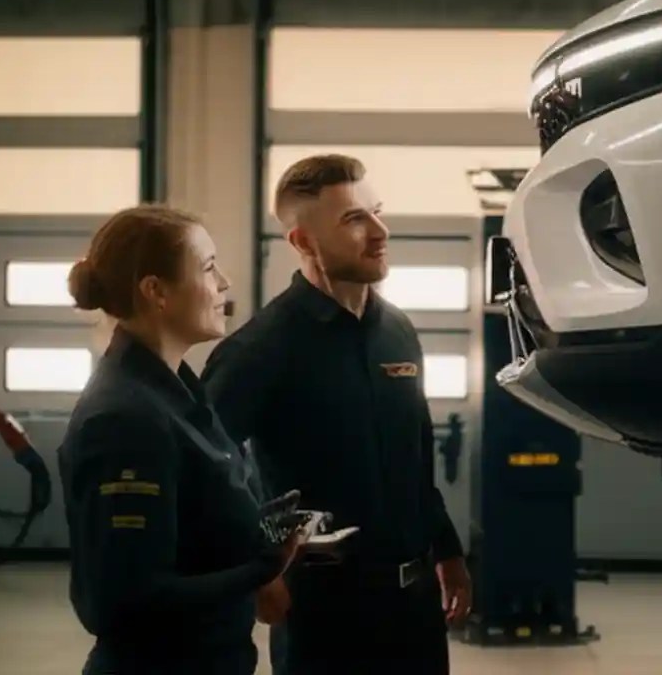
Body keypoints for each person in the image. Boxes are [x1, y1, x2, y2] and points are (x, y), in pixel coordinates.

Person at [202, 154, 472, 674]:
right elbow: (205, 469)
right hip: (323, 613)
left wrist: (448, 551)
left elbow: (416, 456)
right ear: (303, 242)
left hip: (414, 608)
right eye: (354, 219)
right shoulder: (261, 349)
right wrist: (256, 571)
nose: (379, 231)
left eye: (376, 211)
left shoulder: (398, 331)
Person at [57, 204, 306, 675]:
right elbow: (125, 600)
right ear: (156, 292)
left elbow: (193, 525)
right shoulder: (125, 419)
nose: (225, 283)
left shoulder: (180, 395)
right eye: (209, 267)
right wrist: (263, 569)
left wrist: (261, 527)